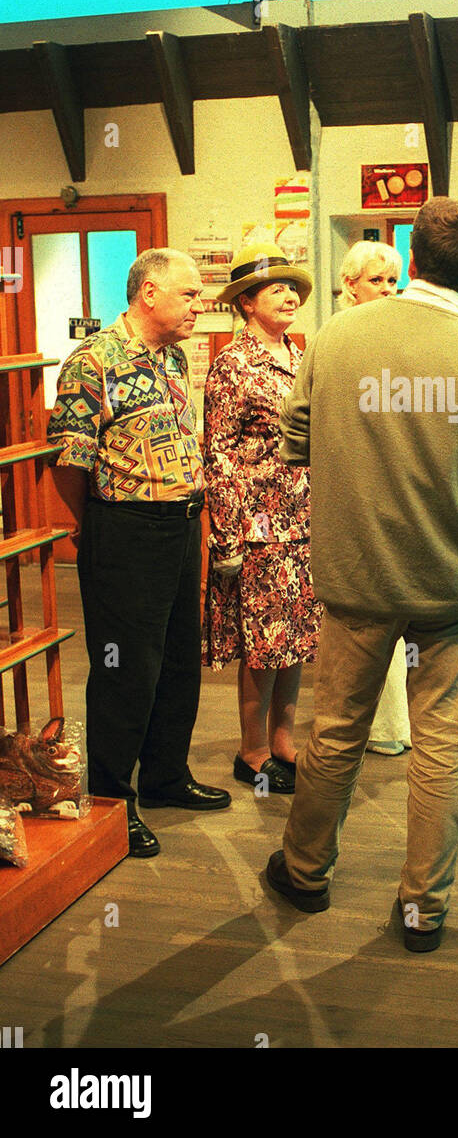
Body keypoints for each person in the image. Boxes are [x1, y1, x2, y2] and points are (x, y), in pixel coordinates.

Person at [266, 197, 458, 951]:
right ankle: (423, 906)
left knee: (335, 733)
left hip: (356, 578)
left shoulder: (335, 339)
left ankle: (304, 871)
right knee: (441, 748)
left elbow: (294, 443)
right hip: (451, 587)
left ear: (410, 257)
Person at [47, 249, 230, 859]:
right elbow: (69, 464)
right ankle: (109, 799)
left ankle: (164, 776)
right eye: (189, 295)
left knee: (178, 658)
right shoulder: (92, 361)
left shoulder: (173, 357)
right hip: (125, 528)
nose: (199, 306)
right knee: (126, 669)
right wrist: (100, 524)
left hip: (181, 523)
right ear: (149, 293)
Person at [203, 244, 323, 797]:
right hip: (257, 526)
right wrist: (226, 533)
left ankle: (283, 740)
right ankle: (251, 750)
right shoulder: (232, 363)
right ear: (247, 302)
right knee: (262, 643)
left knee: (294, 639)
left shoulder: (299, 355)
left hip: (302, 517)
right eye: (276, 288)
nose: (289, 295)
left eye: (293, 287)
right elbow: (220, 453)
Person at [339, 240, 411, 756]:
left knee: (393, 612)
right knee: (361, 618)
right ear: (350, 286)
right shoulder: (338, 338)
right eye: (376, 281)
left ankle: (388, 726)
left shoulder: (396, 335)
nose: (387, 290)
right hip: (351, 490)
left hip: (395, 489)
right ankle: (359, 727)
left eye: (392, 282)